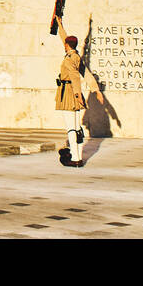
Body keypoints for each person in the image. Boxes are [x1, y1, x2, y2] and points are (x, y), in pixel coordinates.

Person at [52, 10, 103, 168]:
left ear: (67, 45)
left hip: (69, 93)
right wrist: (96, 90)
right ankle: (78, 157)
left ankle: (74, 158)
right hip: (74, 93)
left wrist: (77, 94)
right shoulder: (76, 57)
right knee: (77, 128)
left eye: (65, 43)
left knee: (71, 128)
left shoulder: (69, 59)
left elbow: (75, 77)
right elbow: (86, 73)